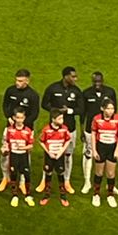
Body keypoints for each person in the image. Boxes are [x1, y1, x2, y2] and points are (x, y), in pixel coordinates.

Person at [40, 67, 85, 195]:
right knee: (49, 154)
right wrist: (56, 111)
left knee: (67, 155)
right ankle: (44, 180)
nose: (75, 79)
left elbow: (81, 109)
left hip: (69, 129)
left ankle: (66, 181)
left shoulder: (77, 91)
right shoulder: (53, 88)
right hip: (53, 130)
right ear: (65, 76)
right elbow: (44, 104)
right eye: (73, 76)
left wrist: (69, 111)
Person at [89, 99, 118, 206]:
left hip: (112, 147)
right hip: (101, 147)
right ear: (102, 109)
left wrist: (117, 150)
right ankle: (96, 194)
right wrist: (94, 150)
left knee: (110, 173)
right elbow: (93, 134)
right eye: (108, 108)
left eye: (112, 108)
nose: (110, 111)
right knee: (99, 173)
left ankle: (110, 195)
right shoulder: (97, 119)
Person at [37, 111, 73, 207]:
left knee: (60, 173)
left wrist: (61, 151)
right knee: (48, 173)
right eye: (59, 118)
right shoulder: (46, 129)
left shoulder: (64, 129)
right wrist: (48, 152)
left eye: (62, 118)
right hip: (49, 156)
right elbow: (41, 141)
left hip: (59, 156)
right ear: (53, 119)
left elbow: (68, 139)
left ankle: (63, 195)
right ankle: (47, 194)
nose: (62, 120)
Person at [1, 109, 35, 206]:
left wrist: (23, 147)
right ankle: (14, 195)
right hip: (14, 155)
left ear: (24, 118)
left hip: (23, 155)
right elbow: (6, 142)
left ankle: (28, 195)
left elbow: (31, 145)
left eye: (21, 118)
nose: (19, 120)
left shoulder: (28, 131)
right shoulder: (9, 130)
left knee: (27, 175)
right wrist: (5, 148)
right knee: (14, 174)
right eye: (17, 118)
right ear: (14, 118)